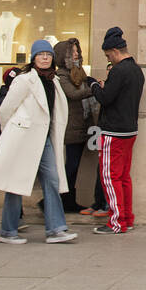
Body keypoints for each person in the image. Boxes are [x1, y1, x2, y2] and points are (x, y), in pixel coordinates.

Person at [0, 40, 77, 245]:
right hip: (24, 138)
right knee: (16, 183)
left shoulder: (54, 81)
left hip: (45, 140)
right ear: (33, 57)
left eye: (48, 54)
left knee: (52, 180)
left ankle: (56, 229)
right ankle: (8, 231)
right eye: (41, 54)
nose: (45, 57)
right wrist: (13, 132)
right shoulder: (24, 80)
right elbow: (6, 110)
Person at [92, 26, 144, 235]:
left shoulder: (119, 71)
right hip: (130, 130)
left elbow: (106, 98)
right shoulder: (136, 70)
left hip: (113, 132)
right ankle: (127, 218)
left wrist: (96, 86)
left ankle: (116, 222)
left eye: (108, 56)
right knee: (123, 177)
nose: (109, 59)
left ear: (114, 51)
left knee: (110, 178)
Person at [53, 38, 93, 213]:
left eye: (77, 50)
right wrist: (94, 87)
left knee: (74, 166)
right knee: (70, 166)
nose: (77, 54)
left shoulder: (78, 72)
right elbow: (74, 94)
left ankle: (68, 201)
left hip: (80, 126)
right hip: (70, 128)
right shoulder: (61, 75)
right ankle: (53, 200)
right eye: (73, 51)